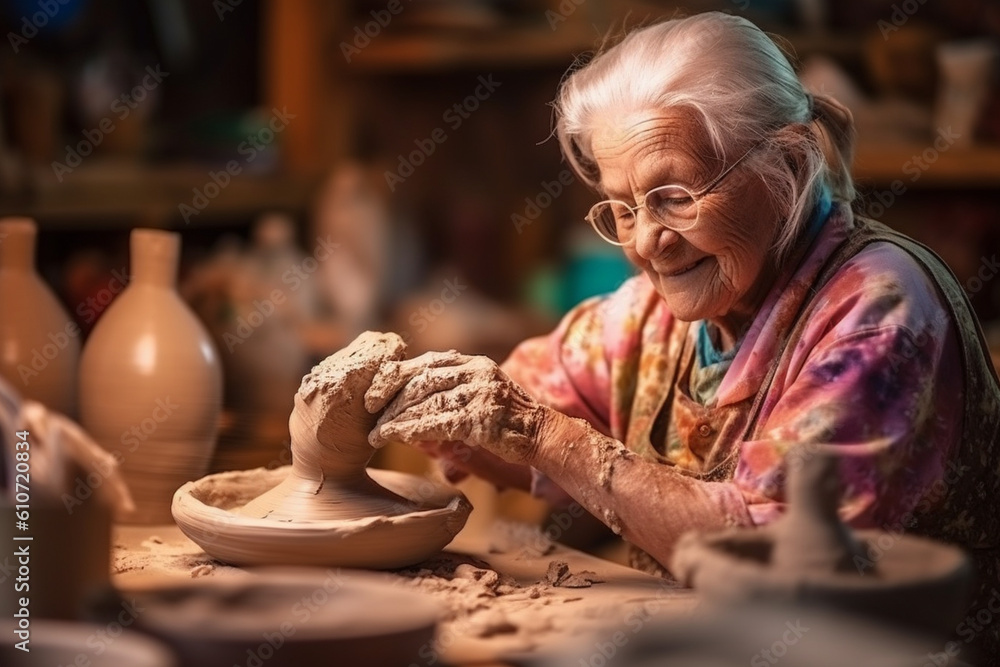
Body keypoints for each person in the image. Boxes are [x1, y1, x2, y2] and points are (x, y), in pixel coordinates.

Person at [364, 11, 1000, 660]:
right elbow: (518, 408)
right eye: (622, 207)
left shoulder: (879, 306)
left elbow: (776, 560)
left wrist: (541, 436)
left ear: (788, 160)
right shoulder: (647, 314)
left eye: (674, 197)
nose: (645, 241)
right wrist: (438, 415)